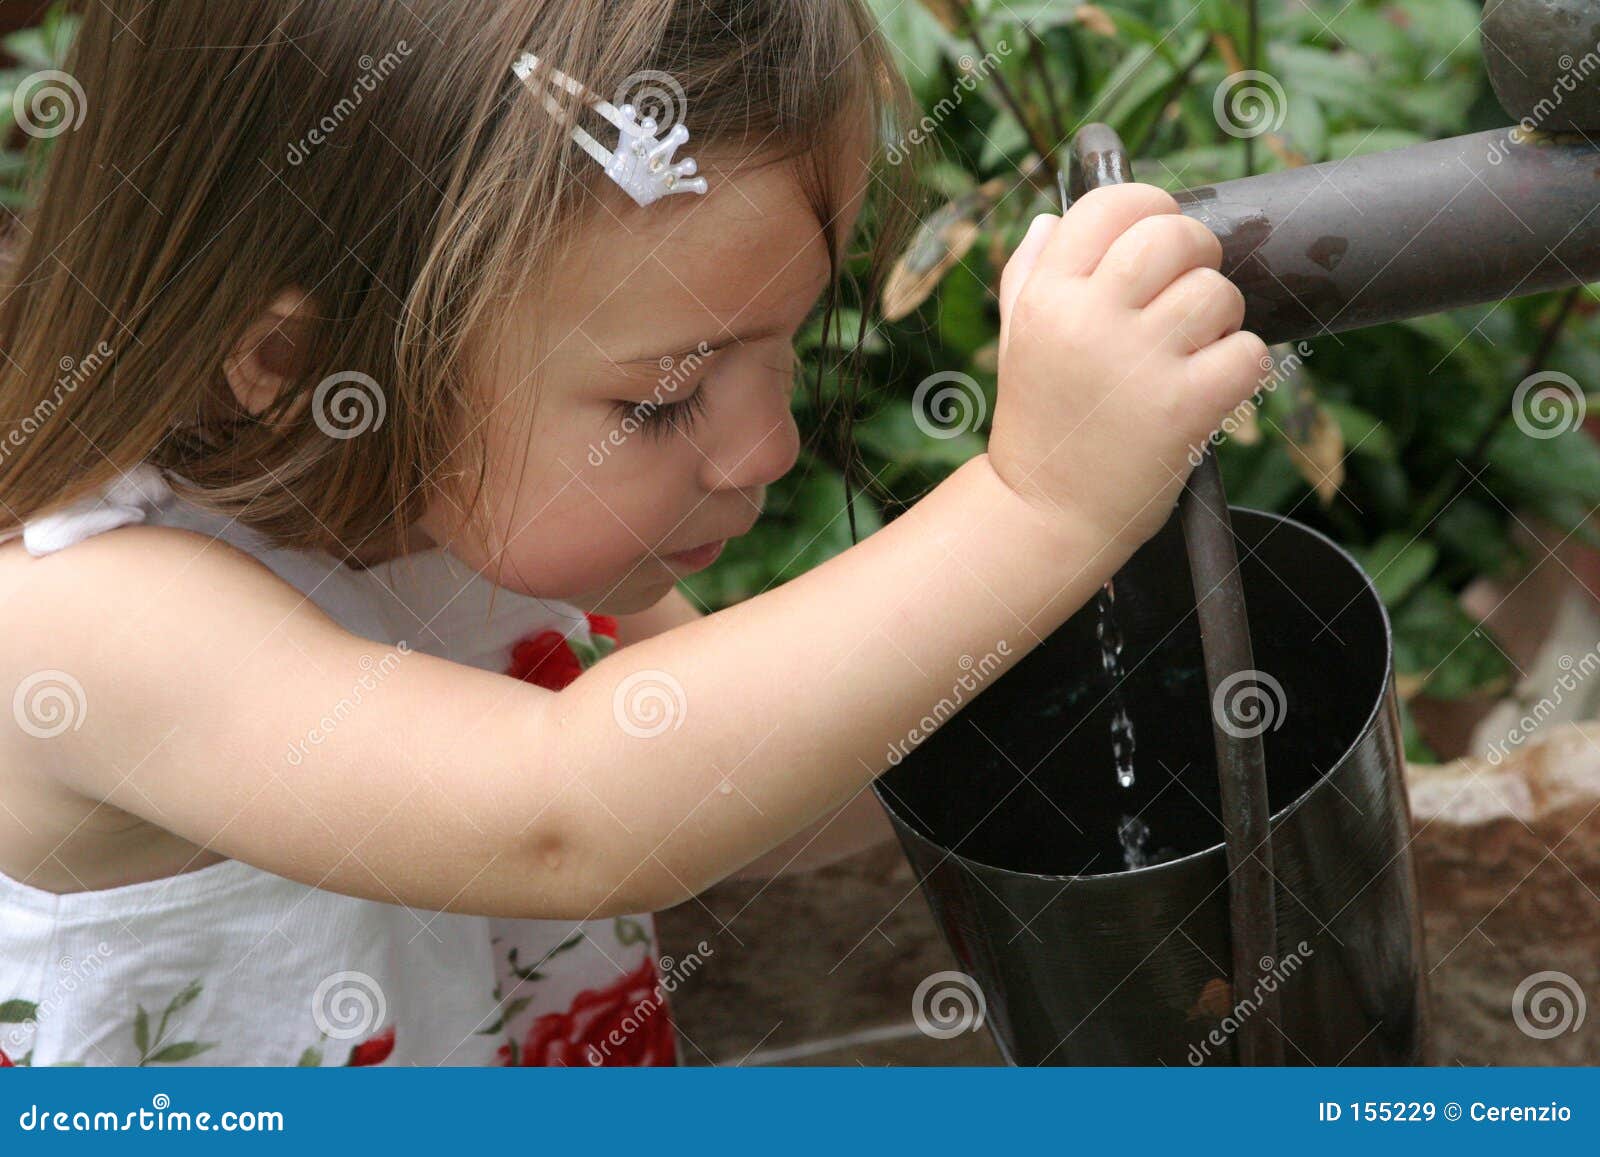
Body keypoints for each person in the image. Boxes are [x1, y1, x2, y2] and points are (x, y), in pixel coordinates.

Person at [0, 0, 1267, 1067]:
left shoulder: (461, 503)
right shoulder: (95, 625)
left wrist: (1045, 681)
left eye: (787, 344)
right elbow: (577, 812)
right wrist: (1039, 508)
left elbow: (748, 793)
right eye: (662, 398)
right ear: (299, 359)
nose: (768, 447)